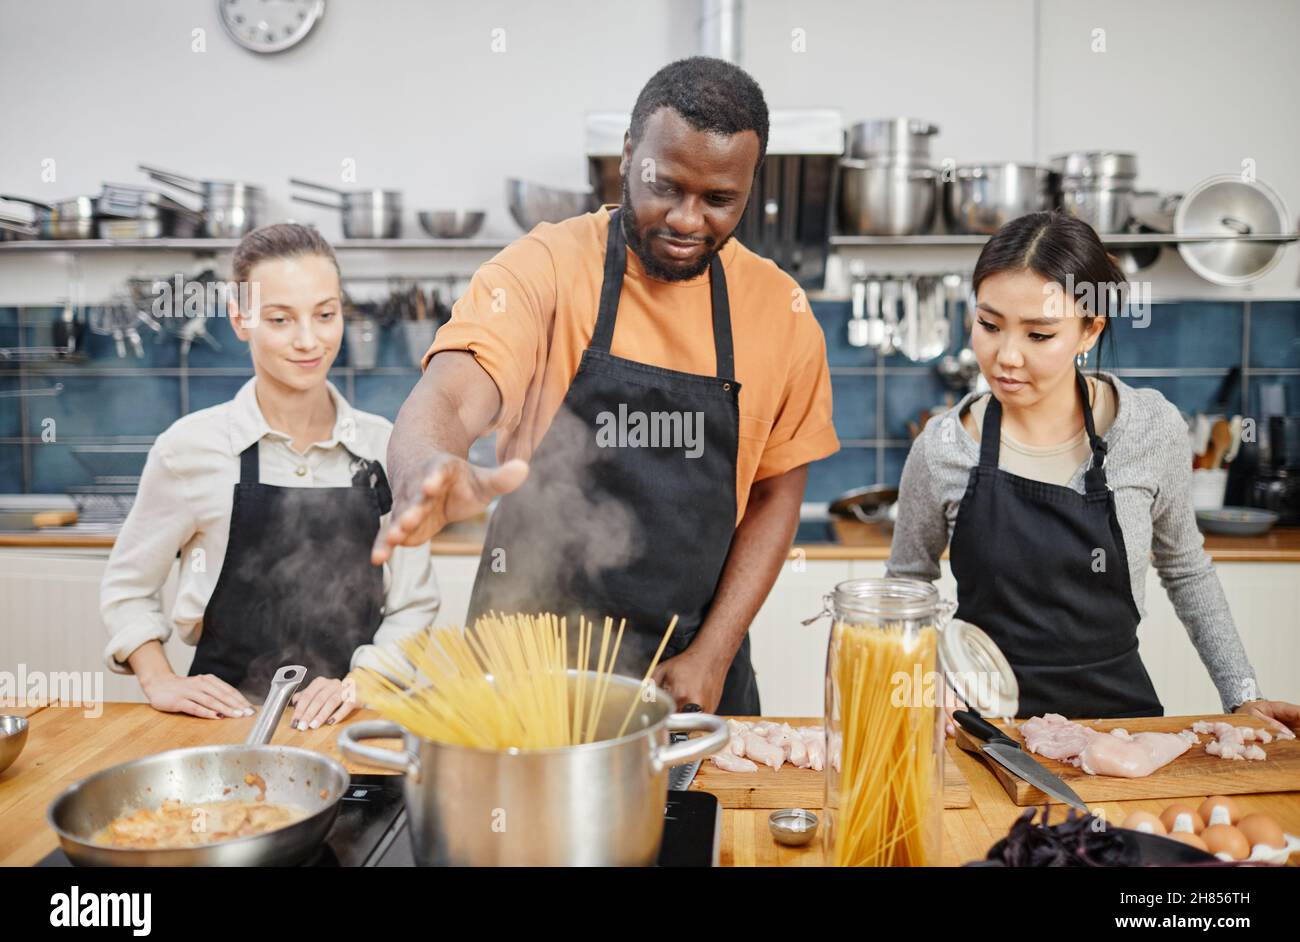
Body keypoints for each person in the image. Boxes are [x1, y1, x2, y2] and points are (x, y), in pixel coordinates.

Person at [372, 57, 839, 714]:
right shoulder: (547, 266)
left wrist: (714, 653)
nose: (685, 220)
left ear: (749, 185)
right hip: (525, 669)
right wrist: (426, 467)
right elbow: (451, 393)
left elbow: (776, 493)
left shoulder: (780, 311)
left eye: (718, 200)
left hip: (691, 676)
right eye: (667, 186)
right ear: (628, 155)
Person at [887, 211, 1299, 734]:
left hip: (1120, 728)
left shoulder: (1149, 428)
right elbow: (905, 585)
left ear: (1090, 329)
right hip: (980, 730)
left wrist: (1242, 696)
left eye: (1039, 334)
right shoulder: (944, 446)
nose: (1005, 356)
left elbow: (1185, 567)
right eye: (988, 325)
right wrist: (923, 679)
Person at [102, 223, 439, 728]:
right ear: (241, 319)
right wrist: (160, 679)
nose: (309, 340)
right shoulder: (189, 450)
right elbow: (128, 588)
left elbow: (413, 606)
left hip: (349, 724)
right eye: (280, 319)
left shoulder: (385, 446)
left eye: (325, 315)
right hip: (223, 729)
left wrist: (360, 683)